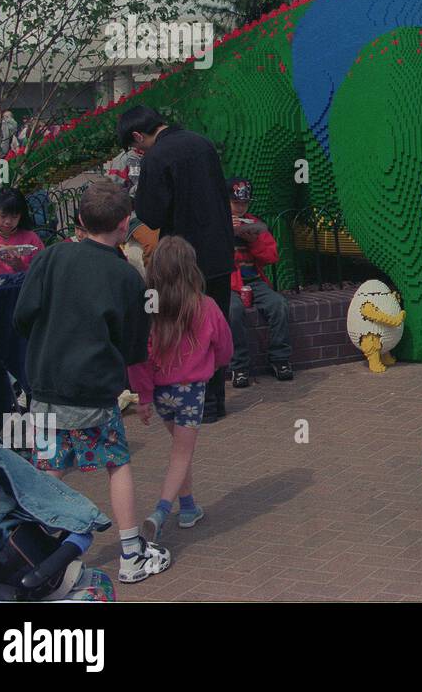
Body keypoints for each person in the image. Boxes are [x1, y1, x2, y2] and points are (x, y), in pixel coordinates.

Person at [12, 179, 171, 583]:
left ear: (80, 219)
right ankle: (131, 555)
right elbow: (135, 349)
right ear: (124, 224)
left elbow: (22, 316)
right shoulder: (127, 278)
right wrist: (145, 397)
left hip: (45, 385)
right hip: (94, 390)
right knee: (116, 464)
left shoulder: (50, 259)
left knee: (49, 469)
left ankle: (35, 555)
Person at [119, 105, 234, 423]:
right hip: (220, 251)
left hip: (183, 260)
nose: (136, 150)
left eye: (133, 145)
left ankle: (191, 403)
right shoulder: (202, 143)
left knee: (189, 328)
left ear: (139, 136)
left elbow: (152, 214)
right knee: (214, 322)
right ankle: (214, 403)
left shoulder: (156, 157)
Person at [128, 236, 233, 541]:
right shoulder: (206, 305)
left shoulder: (150, 307)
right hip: (191, 390)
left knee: (179, 451)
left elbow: (139, 358)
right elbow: (225, 348)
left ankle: (187, 507)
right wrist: (212, 366)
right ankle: (160, 512)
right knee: (181, 453)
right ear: (191, 269)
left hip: (161, 391)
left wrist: (144, 398)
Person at [224, 177, 294, 386]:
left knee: (278, 305)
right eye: (236, 203)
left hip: (254, 280)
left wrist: (253, 240)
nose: (240, 208)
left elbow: (271, 257)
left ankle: (280, 359)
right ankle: (240, 366)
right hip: (230, 283)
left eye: (244, 203)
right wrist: (227, 231)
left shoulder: (254, 222)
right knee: (233, 311)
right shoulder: (217, 222)